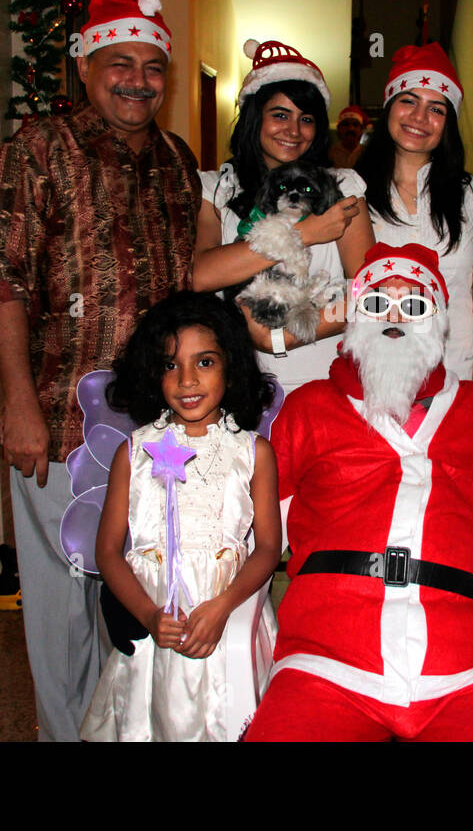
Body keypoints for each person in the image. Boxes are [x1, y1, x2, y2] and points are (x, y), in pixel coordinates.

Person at [0, 0, 200, 741]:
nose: (138, 81)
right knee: (64, 605)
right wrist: (18, 403)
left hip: (156, 434)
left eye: (152, 67)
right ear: (85, 67)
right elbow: (0, 279)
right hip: (62, 424)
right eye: (119, 64)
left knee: (135, 599)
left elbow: (188, 286)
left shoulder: (175, 159)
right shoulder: (37, 148)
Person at [243, 243, 473, 741]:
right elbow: (257, 536)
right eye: (376, 302)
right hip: (327, 655)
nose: (394, 315)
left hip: (467, 660)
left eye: (414, 305)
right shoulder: (310, 408)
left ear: (439, 321)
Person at [80, 292, 281, 741]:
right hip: (158, 624)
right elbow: (109, 551)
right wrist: (150, 616)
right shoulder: (132, 453)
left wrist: (223, 606)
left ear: (231, 366)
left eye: (204, 362)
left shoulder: (252, 453)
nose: (187, 380)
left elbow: (268, 548)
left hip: (227, 615)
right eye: (171, 365)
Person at [194, 39, 374, 393]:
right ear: (253, 116)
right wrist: (305, 233)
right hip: (236, 382)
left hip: (324, 378)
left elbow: (368, 295)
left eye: (306, 119)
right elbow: (201, 275)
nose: (293, 131)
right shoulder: (217, 188)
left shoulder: (343, 186)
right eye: (280, 115)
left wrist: (280, 338)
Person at [357, 43, 473, 381]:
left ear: (448, 123)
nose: (420, 118)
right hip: (372, 379)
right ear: (389, 106)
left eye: (436, 109)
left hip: (455, 374)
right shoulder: (351, 191)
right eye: (409, 101)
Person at [328, 104, 369, 168]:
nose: (350, 128)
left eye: (355, 125)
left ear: (361, 130)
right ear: (339, 129)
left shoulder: (368, 153)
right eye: (346, 124)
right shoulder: (330, 153)